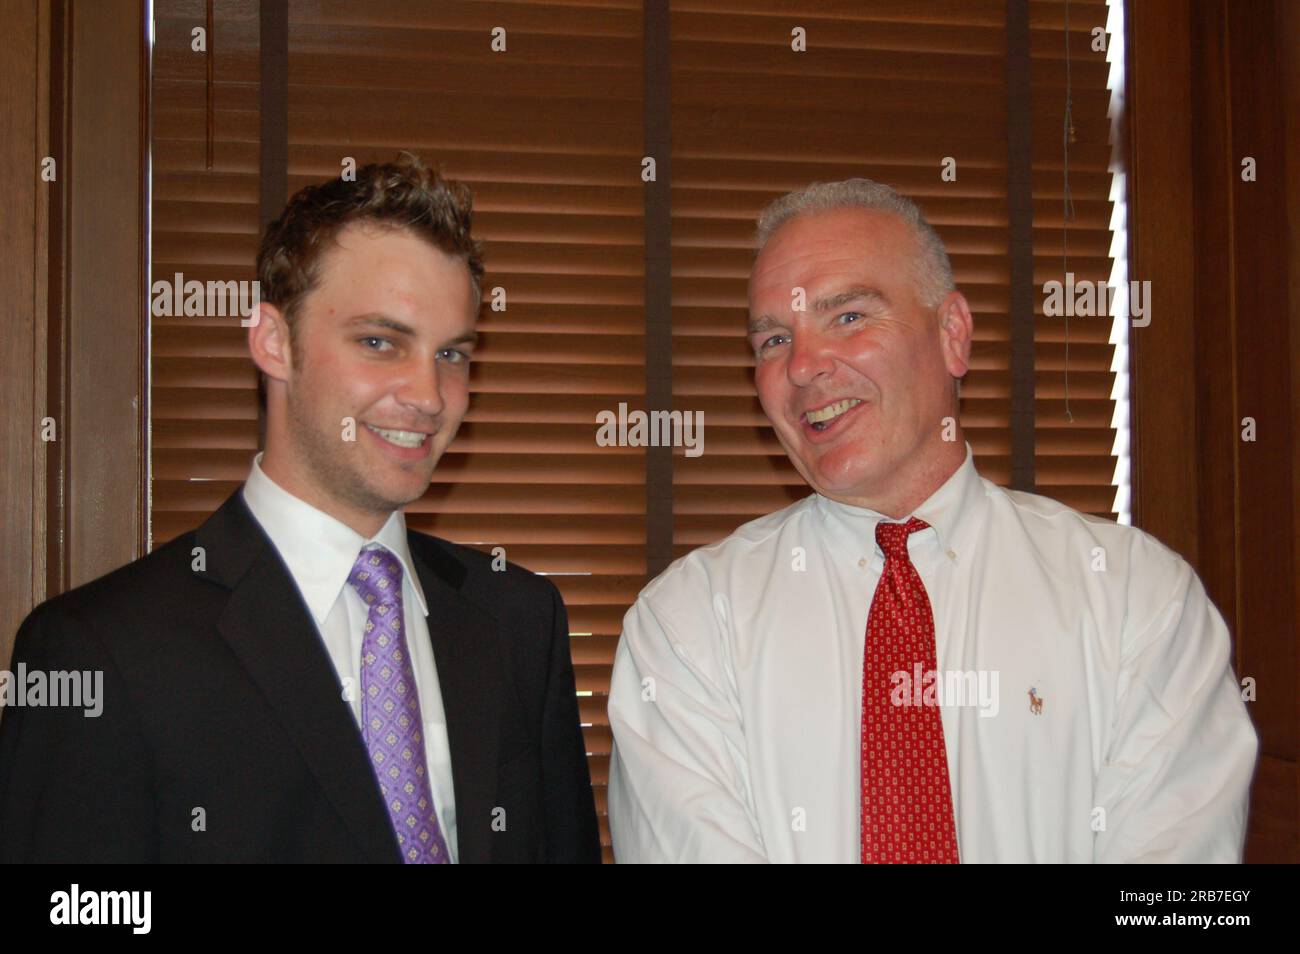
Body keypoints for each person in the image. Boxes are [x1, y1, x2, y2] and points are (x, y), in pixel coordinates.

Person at [606, 179, 1258, 863]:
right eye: (773, 339)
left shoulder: (1138, 601)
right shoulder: (687, 627)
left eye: (849, 316)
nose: (801, 366)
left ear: (953, 335)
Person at [0, 154, 601, 863]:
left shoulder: (518, 622)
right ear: (274, 342)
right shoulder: (100, 650)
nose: (430, 395)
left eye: (453, 355)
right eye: (381, 342)